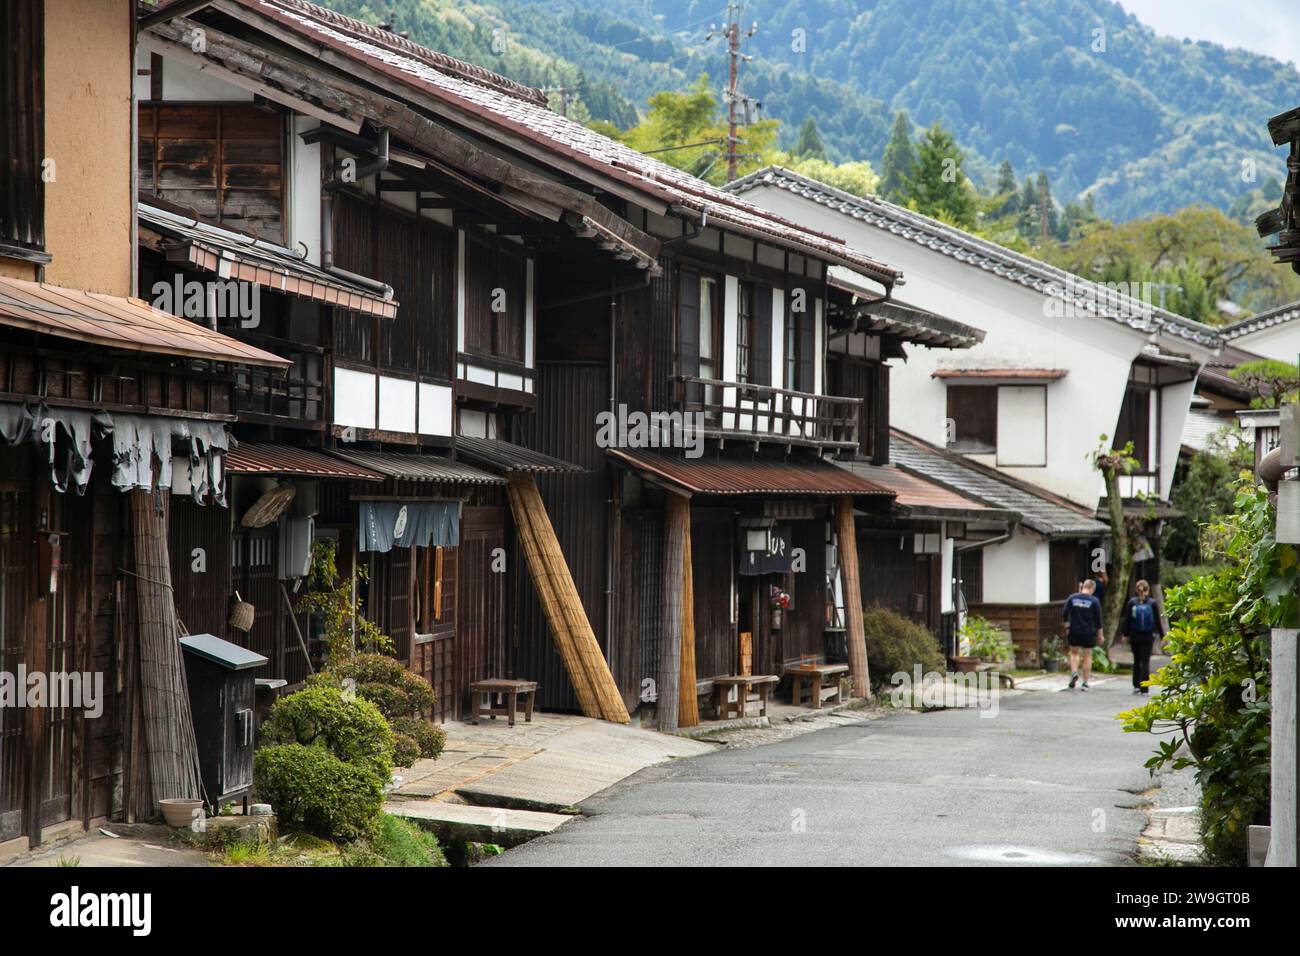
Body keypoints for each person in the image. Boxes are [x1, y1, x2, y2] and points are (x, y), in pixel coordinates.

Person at [1121, 579, 1162, 695]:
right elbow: (1158, 621)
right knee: (1145, 661)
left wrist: (1125, 634)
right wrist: (1162, 635)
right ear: (1148, 590)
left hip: (1135, 635)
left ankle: (1136, 685)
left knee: (1136, 660)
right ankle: (1145, 688)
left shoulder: (1132, 602)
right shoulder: (1152, 603)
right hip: (1148, 636)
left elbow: (1127, 620)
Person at [1062, 578, 1103, 691]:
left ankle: (1074, 672)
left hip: (1074, 630)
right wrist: (1100, 635)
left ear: (1083, 586)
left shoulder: (1072, 598)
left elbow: (1064, 612)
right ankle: (1085, 682)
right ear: (1092, 588)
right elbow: (1099, 620)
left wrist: (1067, 626)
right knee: (1087, 656)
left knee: (1074, 653)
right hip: (1088, 632)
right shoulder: (1094, 601)